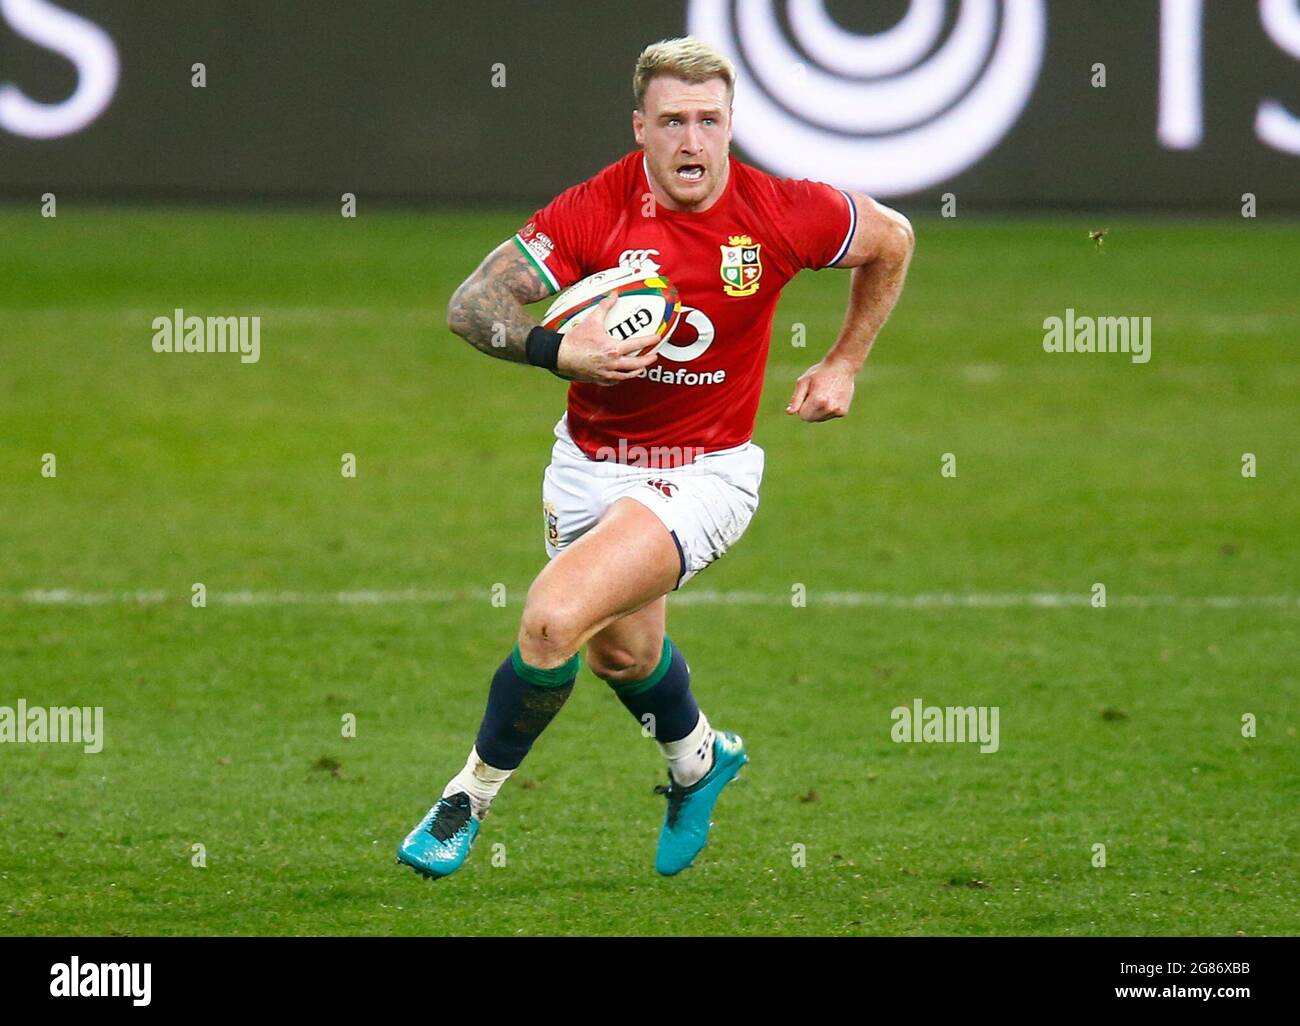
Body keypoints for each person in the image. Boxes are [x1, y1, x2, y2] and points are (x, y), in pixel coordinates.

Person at [398, 35, 914, 879]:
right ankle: (701, 762)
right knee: (621, 655)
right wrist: (560, 354)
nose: (692, 141)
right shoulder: (593, 211)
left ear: (731, 124)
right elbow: (471, 305)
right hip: (588, 464)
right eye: (672, 121)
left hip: (704, 473)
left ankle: (466, 800)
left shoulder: (781, 212)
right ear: (640, 127)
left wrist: (844, 360)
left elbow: (892, 239)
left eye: (709, 120)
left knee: (552, 621)